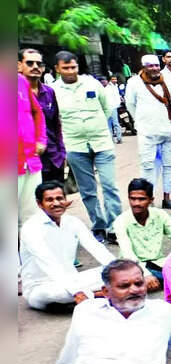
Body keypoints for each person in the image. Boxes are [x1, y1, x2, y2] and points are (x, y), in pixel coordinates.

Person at [52, 51, 122, 244]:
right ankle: (99, 226)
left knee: (110, 187)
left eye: (73, 67)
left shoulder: (92, 83)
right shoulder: (53, 90)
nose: (70, 71)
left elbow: (107, 107)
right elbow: (55, 119)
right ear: (57, 69)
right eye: (65, 68)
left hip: (101, 143)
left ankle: (115, 227)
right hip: (75, 146)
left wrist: (96, 126)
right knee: (88, 191)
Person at [20, 181, 117, 311]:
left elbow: (96, 248)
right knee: (60, 294)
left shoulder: (73, 222)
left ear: (65, 200)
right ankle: (101, 294)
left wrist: (124, 273)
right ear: (39, 204)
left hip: (74, 280)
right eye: (49, 200)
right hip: (41, 287)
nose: (56, 203)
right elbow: (48, 261)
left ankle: (94, 295)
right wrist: (76, 291)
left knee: (118, 272)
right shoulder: (31, 228)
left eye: (59, 198)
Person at [125, 54, 171, 210]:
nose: (155, 68)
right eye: (150, 66)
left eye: (156, 65)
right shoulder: (134, 83)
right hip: (148, 132)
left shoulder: (169, 80)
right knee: (148, 166)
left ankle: (167, 197)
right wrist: (141, 122)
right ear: (144, 67)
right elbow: (131, 105)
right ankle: (149, 200)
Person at [114, 178, 171, 286]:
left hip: (158, 263)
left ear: (151, 200)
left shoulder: (160, 215)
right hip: (132, 267)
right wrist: (146, 274)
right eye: (132, 199)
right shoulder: (121, 221)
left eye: (141, 199)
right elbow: (128, 254)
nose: (136, 203)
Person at [19, 49, 65, 184]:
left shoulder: (49, 91)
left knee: (55, 200)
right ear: (18, 65)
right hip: (28, 159)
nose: (35, 67)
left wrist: (61, 153)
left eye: (39, 64)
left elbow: (56, 124)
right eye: (30, 63)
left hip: (53, 158)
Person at [17, 70, 46, 229]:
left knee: (32, 218)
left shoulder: (20, 80)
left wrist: (40, 139)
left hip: (31, 161)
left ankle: (30, 253)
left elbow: (37, 112)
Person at [102, 75, 123, 144]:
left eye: (104, 80)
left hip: (113, 107)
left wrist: (117, 105)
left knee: (116, 123)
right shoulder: (103, 88)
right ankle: (111, 140)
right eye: (102, 81)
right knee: (109, 125)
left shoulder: (113, 87)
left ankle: (119, 138)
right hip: (106, 109)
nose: (103, 82)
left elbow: (117, 96)